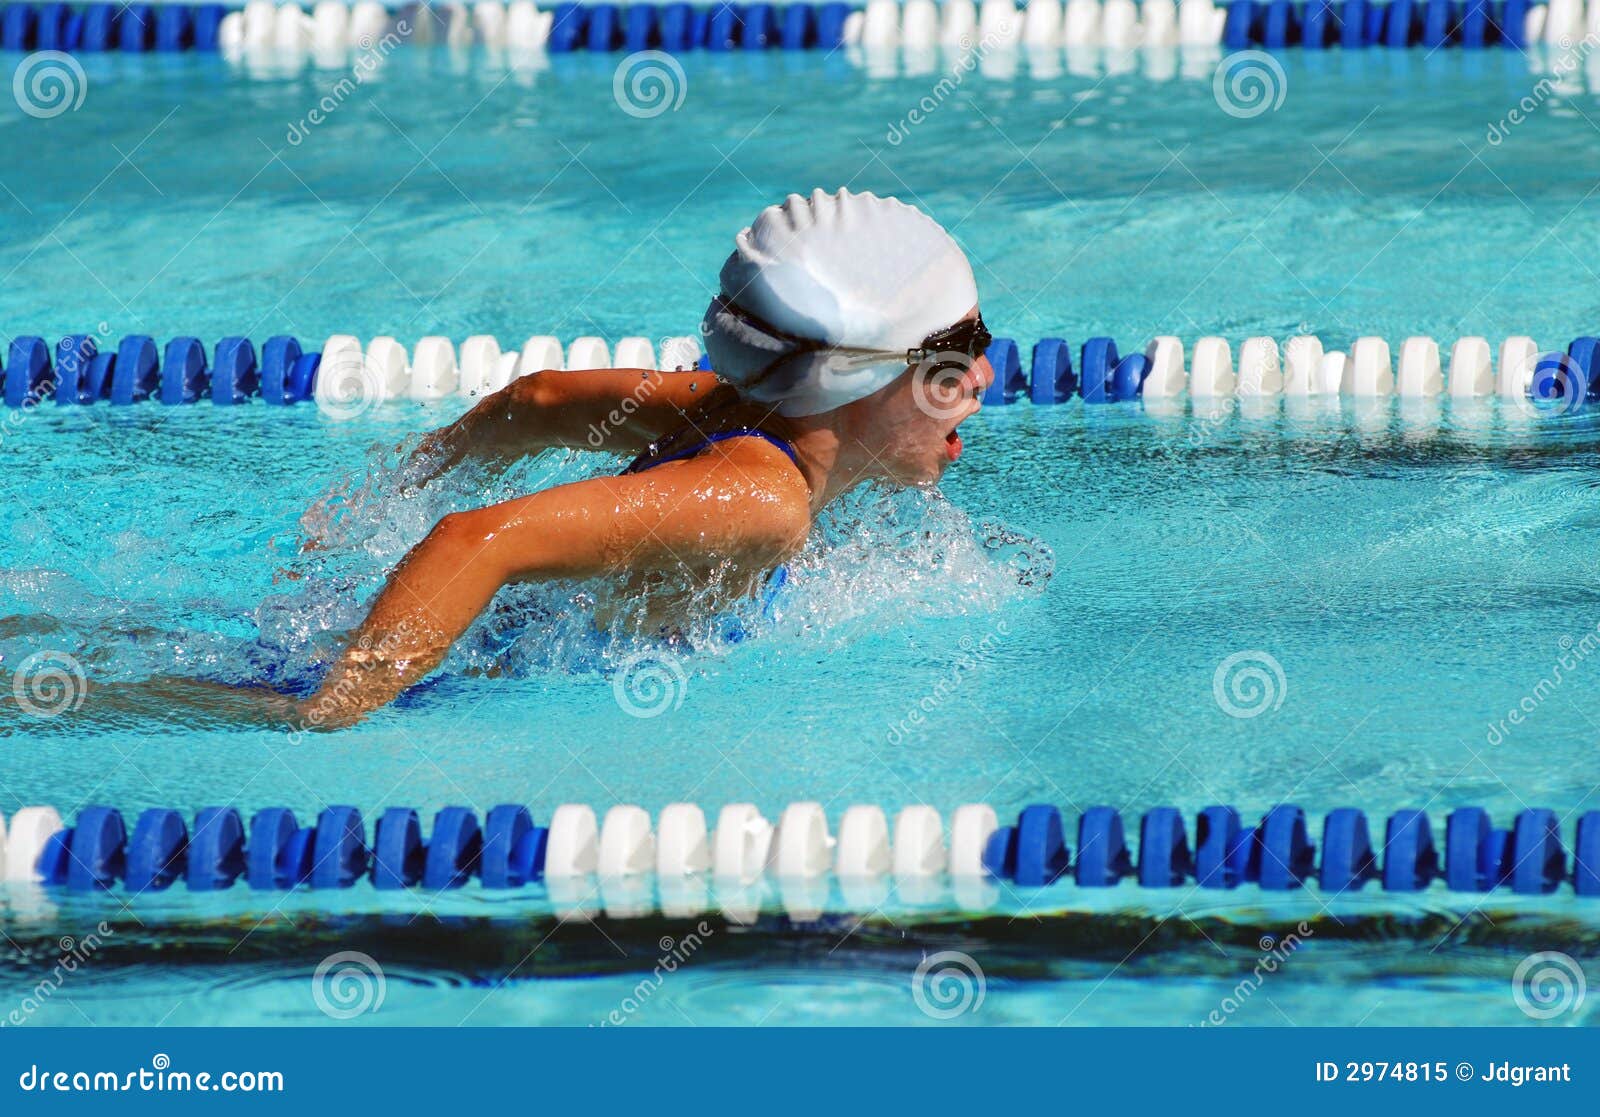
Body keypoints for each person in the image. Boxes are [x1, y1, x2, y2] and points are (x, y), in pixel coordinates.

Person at [297, 187, 994, 730]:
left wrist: (390, 495)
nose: (983, 375)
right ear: (858, 377)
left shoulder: (731, 406)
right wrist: (335, 707)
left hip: (476, 645)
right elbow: (473, 542)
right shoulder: (763, 502)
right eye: (958, 352)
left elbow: (537, 401)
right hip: (454, 689)